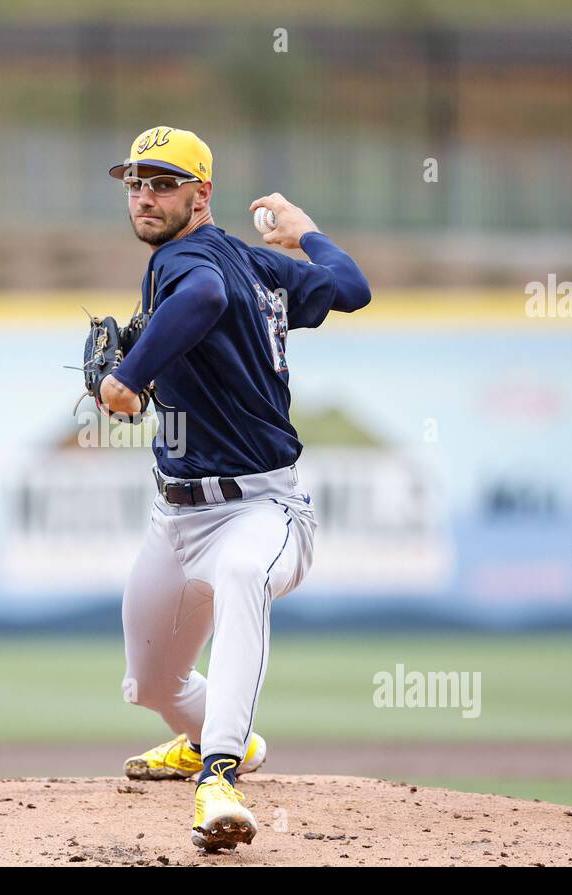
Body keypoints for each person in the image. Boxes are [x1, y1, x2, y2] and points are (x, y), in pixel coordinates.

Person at [100, 125, 371, 850]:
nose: (146, 196)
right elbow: (350, 287)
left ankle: (217, 775)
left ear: (202, 193)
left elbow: (205, 296)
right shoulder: (261, 263)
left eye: (163, 183)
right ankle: (216, 741)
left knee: (244, 574)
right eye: (136, 182)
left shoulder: (189, 262)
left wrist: (128, 377)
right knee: (151, 686)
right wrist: (304, 234)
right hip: (176, 517)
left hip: (261, 508)